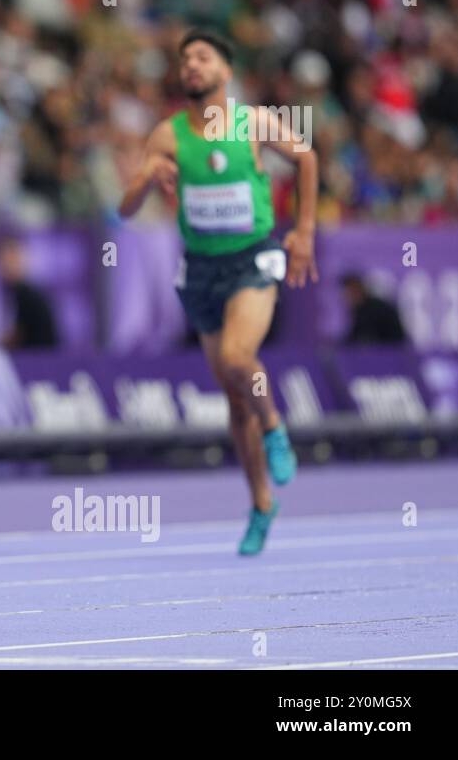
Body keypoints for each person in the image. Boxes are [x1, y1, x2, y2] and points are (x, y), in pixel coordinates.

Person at [119, 30, 319, 556]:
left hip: (250, 260)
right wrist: (146, 179)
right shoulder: (167, 135)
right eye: (185, 59)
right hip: (201, 269)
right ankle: (260, 504)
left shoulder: (253, 122)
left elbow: (307, 158)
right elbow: (125, 208)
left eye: (202, 57)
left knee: (237, 357)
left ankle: (275, 427)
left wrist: (304, 232)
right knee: (234, 399)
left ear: (225, 72)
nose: (191, 65)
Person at [0, 236, 59, 350]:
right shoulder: (12, 294)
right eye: (3, 260)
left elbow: (17, 336)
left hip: (38, 358)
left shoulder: (28, 296)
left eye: (11, 260)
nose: (6, 265)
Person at [340, 273, 408, 346]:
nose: (346, 295)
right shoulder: (359, 310)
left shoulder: (377, 309)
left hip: (389, 352)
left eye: (349, 290)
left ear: (358, 288)